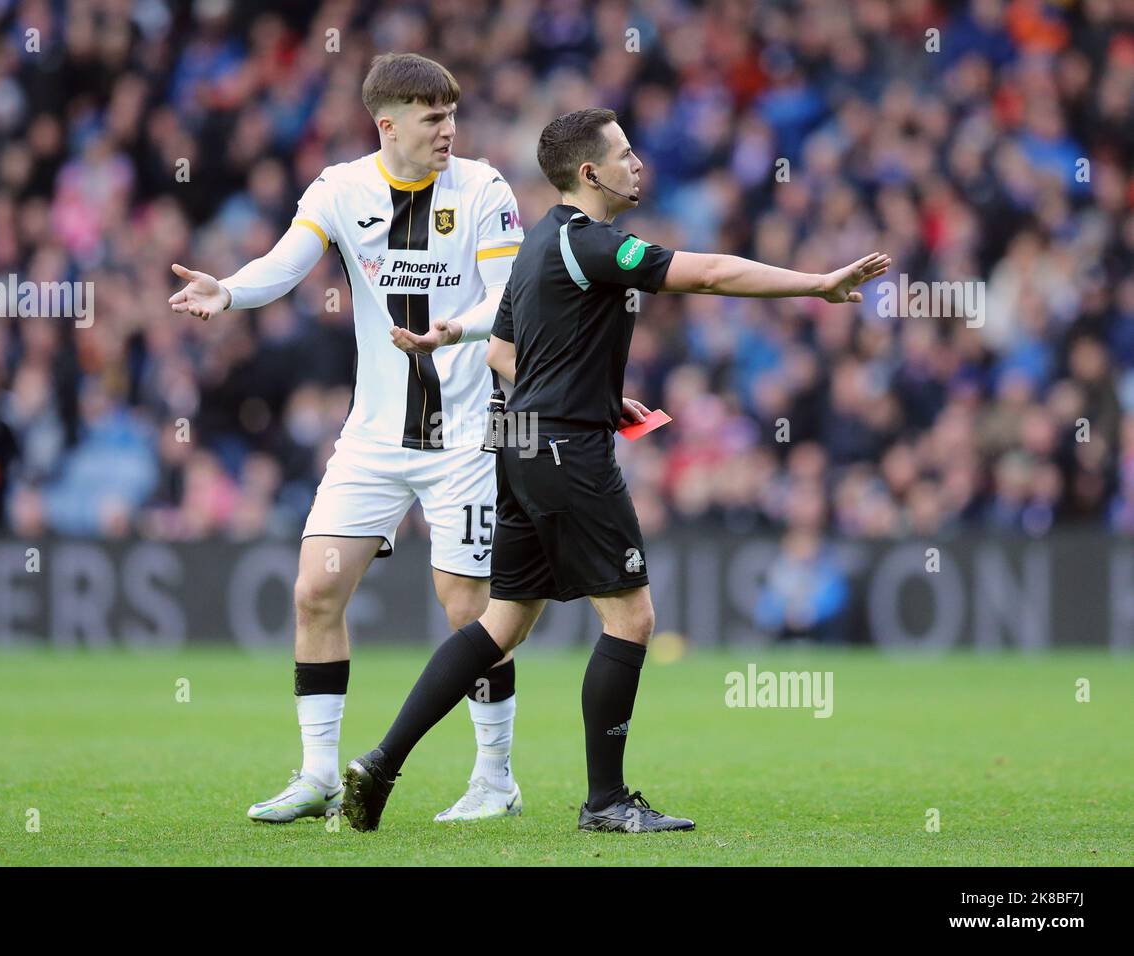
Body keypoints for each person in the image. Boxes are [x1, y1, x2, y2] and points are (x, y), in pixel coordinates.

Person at [341, 108, 890, 832]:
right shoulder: (591, 244)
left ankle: (381, 764)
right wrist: (816, 284)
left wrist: (590, 393)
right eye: (625, 154)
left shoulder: (537, 244)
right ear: (589, 172)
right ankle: (604, 801)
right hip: (566, 447)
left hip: (519, 438)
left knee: (500, 623)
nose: (639, 164)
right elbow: (714, 274)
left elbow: (501, 353)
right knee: (632, 618)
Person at [168, 53, 528, 823]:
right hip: (373, 438)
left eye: (452, 115)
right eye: (433, 118)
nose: (448, 131)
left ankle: (495, 778)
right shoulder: (339, 188)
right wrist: (228, 291)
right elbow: (286, 263)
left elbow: (507, 297)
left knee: (467, 610)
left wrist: (454, 329)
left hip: (463, 437)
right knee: (316, 589)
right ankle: (319, 774)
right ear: (386, 122)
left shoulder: (483, 189)